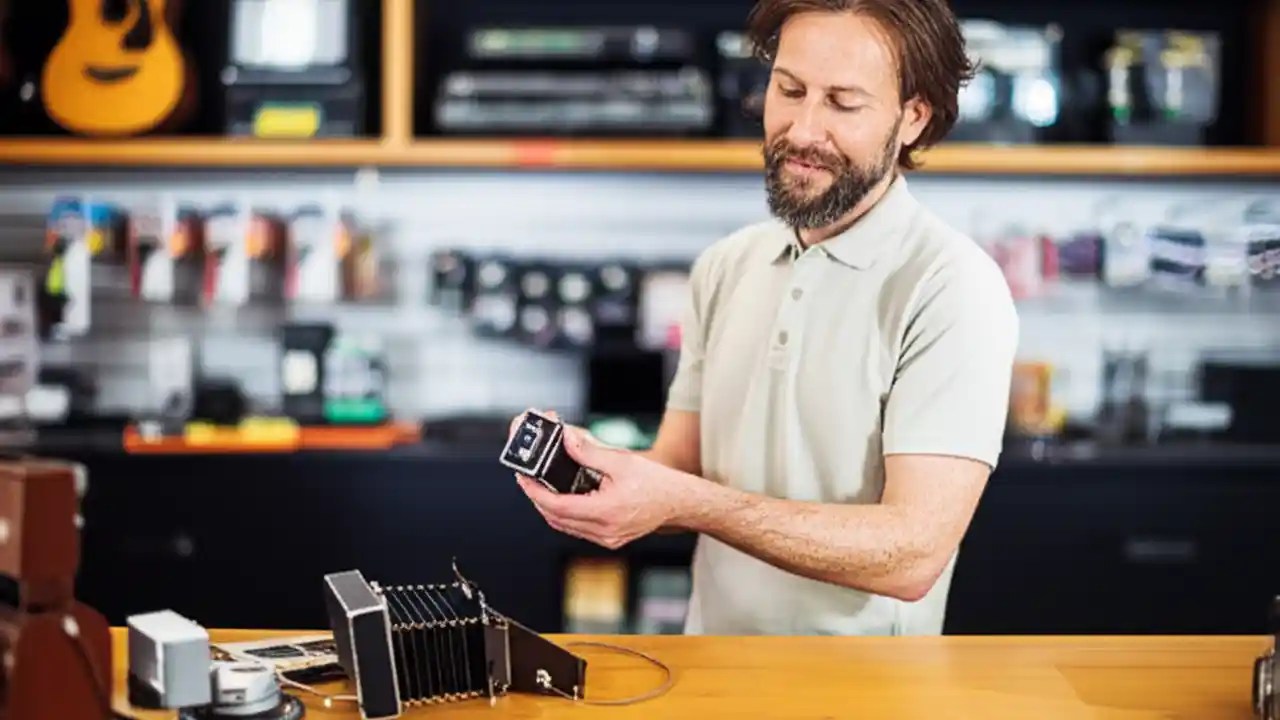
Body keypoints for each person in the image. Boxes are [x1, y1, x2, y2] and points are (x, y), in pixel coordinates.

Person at [511, 0, 1019, 636]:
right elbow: (680, 471)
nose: (803, 130)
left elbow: (912, 554)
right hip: (711, 665)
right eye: (790, 90)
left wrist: (691, 503)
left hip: (867, 683)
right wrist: (591, 468)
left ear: (913, 118)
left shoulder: (951, 286)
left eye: (843, 103)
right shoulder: (726, 266)